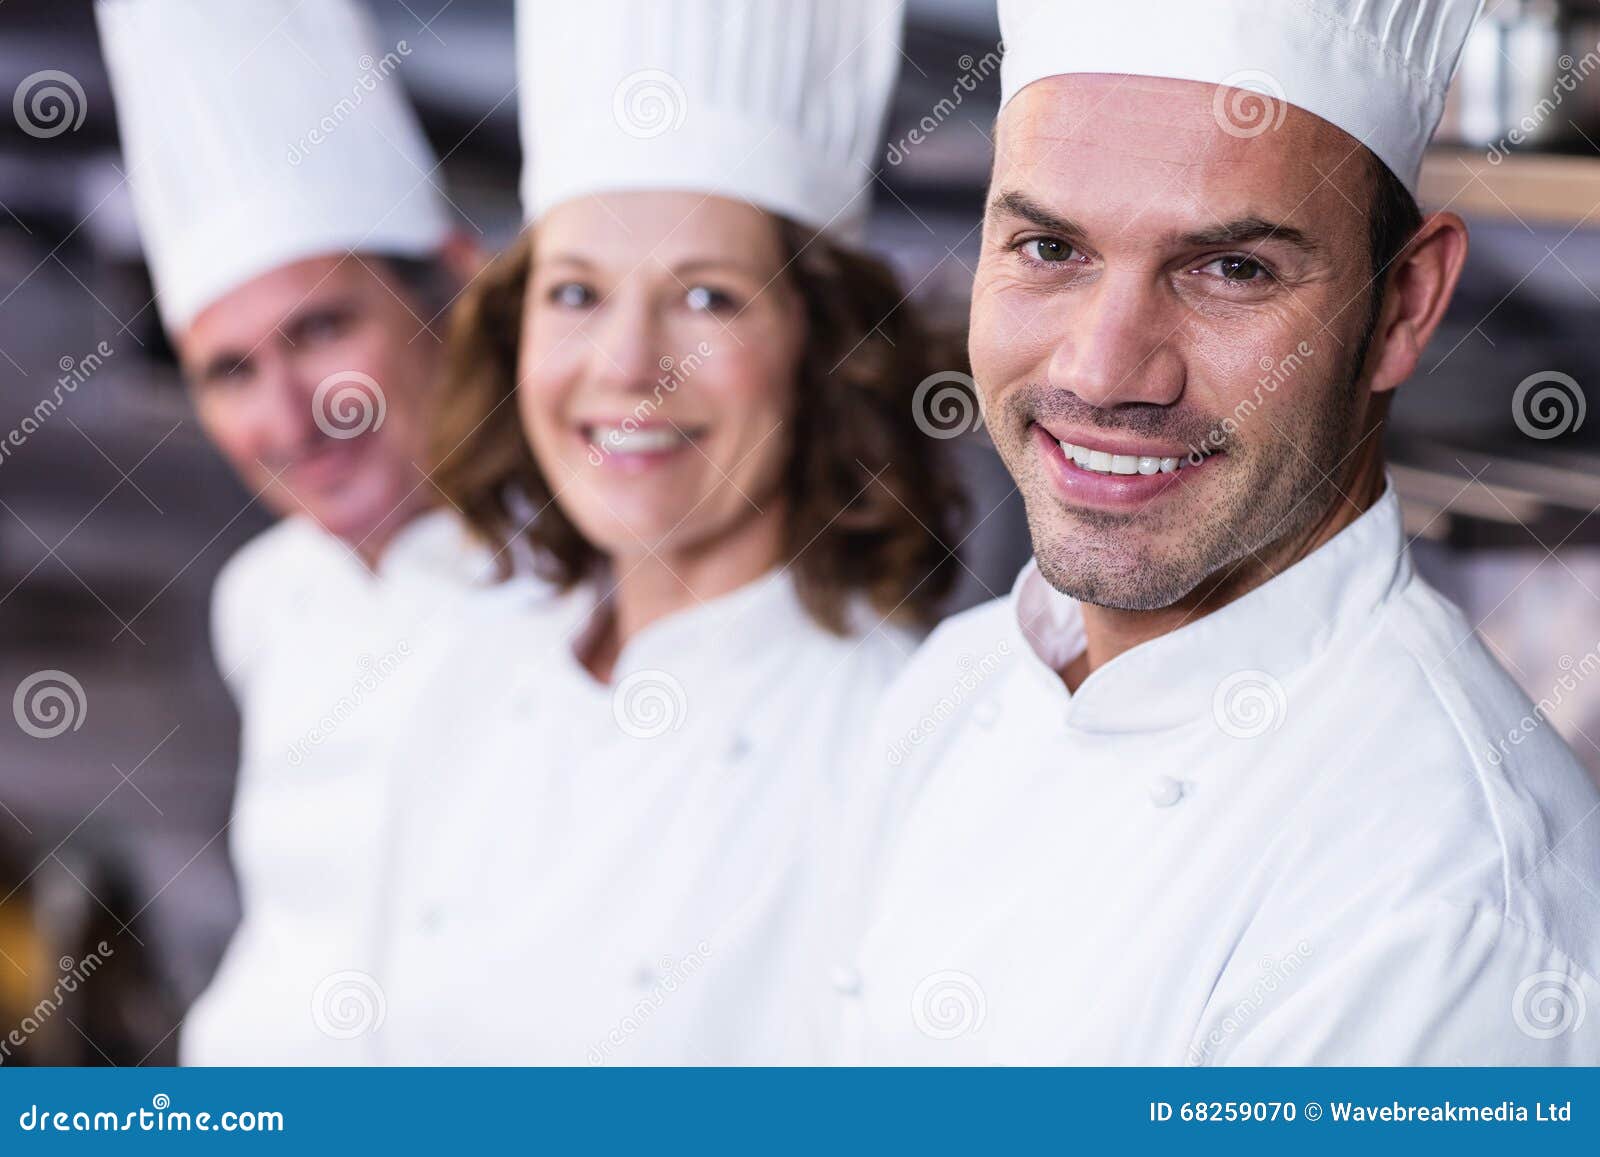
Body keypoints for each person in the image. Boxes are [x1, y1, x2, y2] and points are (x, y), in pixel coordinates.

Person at [828, 0, 1600, 1064]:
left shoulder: (1440, 909)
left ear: (1404, 304)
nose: (1101, 370)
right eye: (1050, 246)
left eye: (1229, 268)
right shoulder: (956, 686)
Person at [370, 0, 963, 1064]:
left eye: (706, 295)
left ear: (821, 347)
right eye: (576, 292)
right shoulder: (463, 667)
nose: (630, 364)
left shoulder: (902, 746)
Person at [97, 0, 515, 1063]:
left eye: (321, 329)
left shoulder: (607, 563)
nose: (289, 418)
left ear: (456, 287)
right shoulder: (263, 599)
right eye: (229, 370)